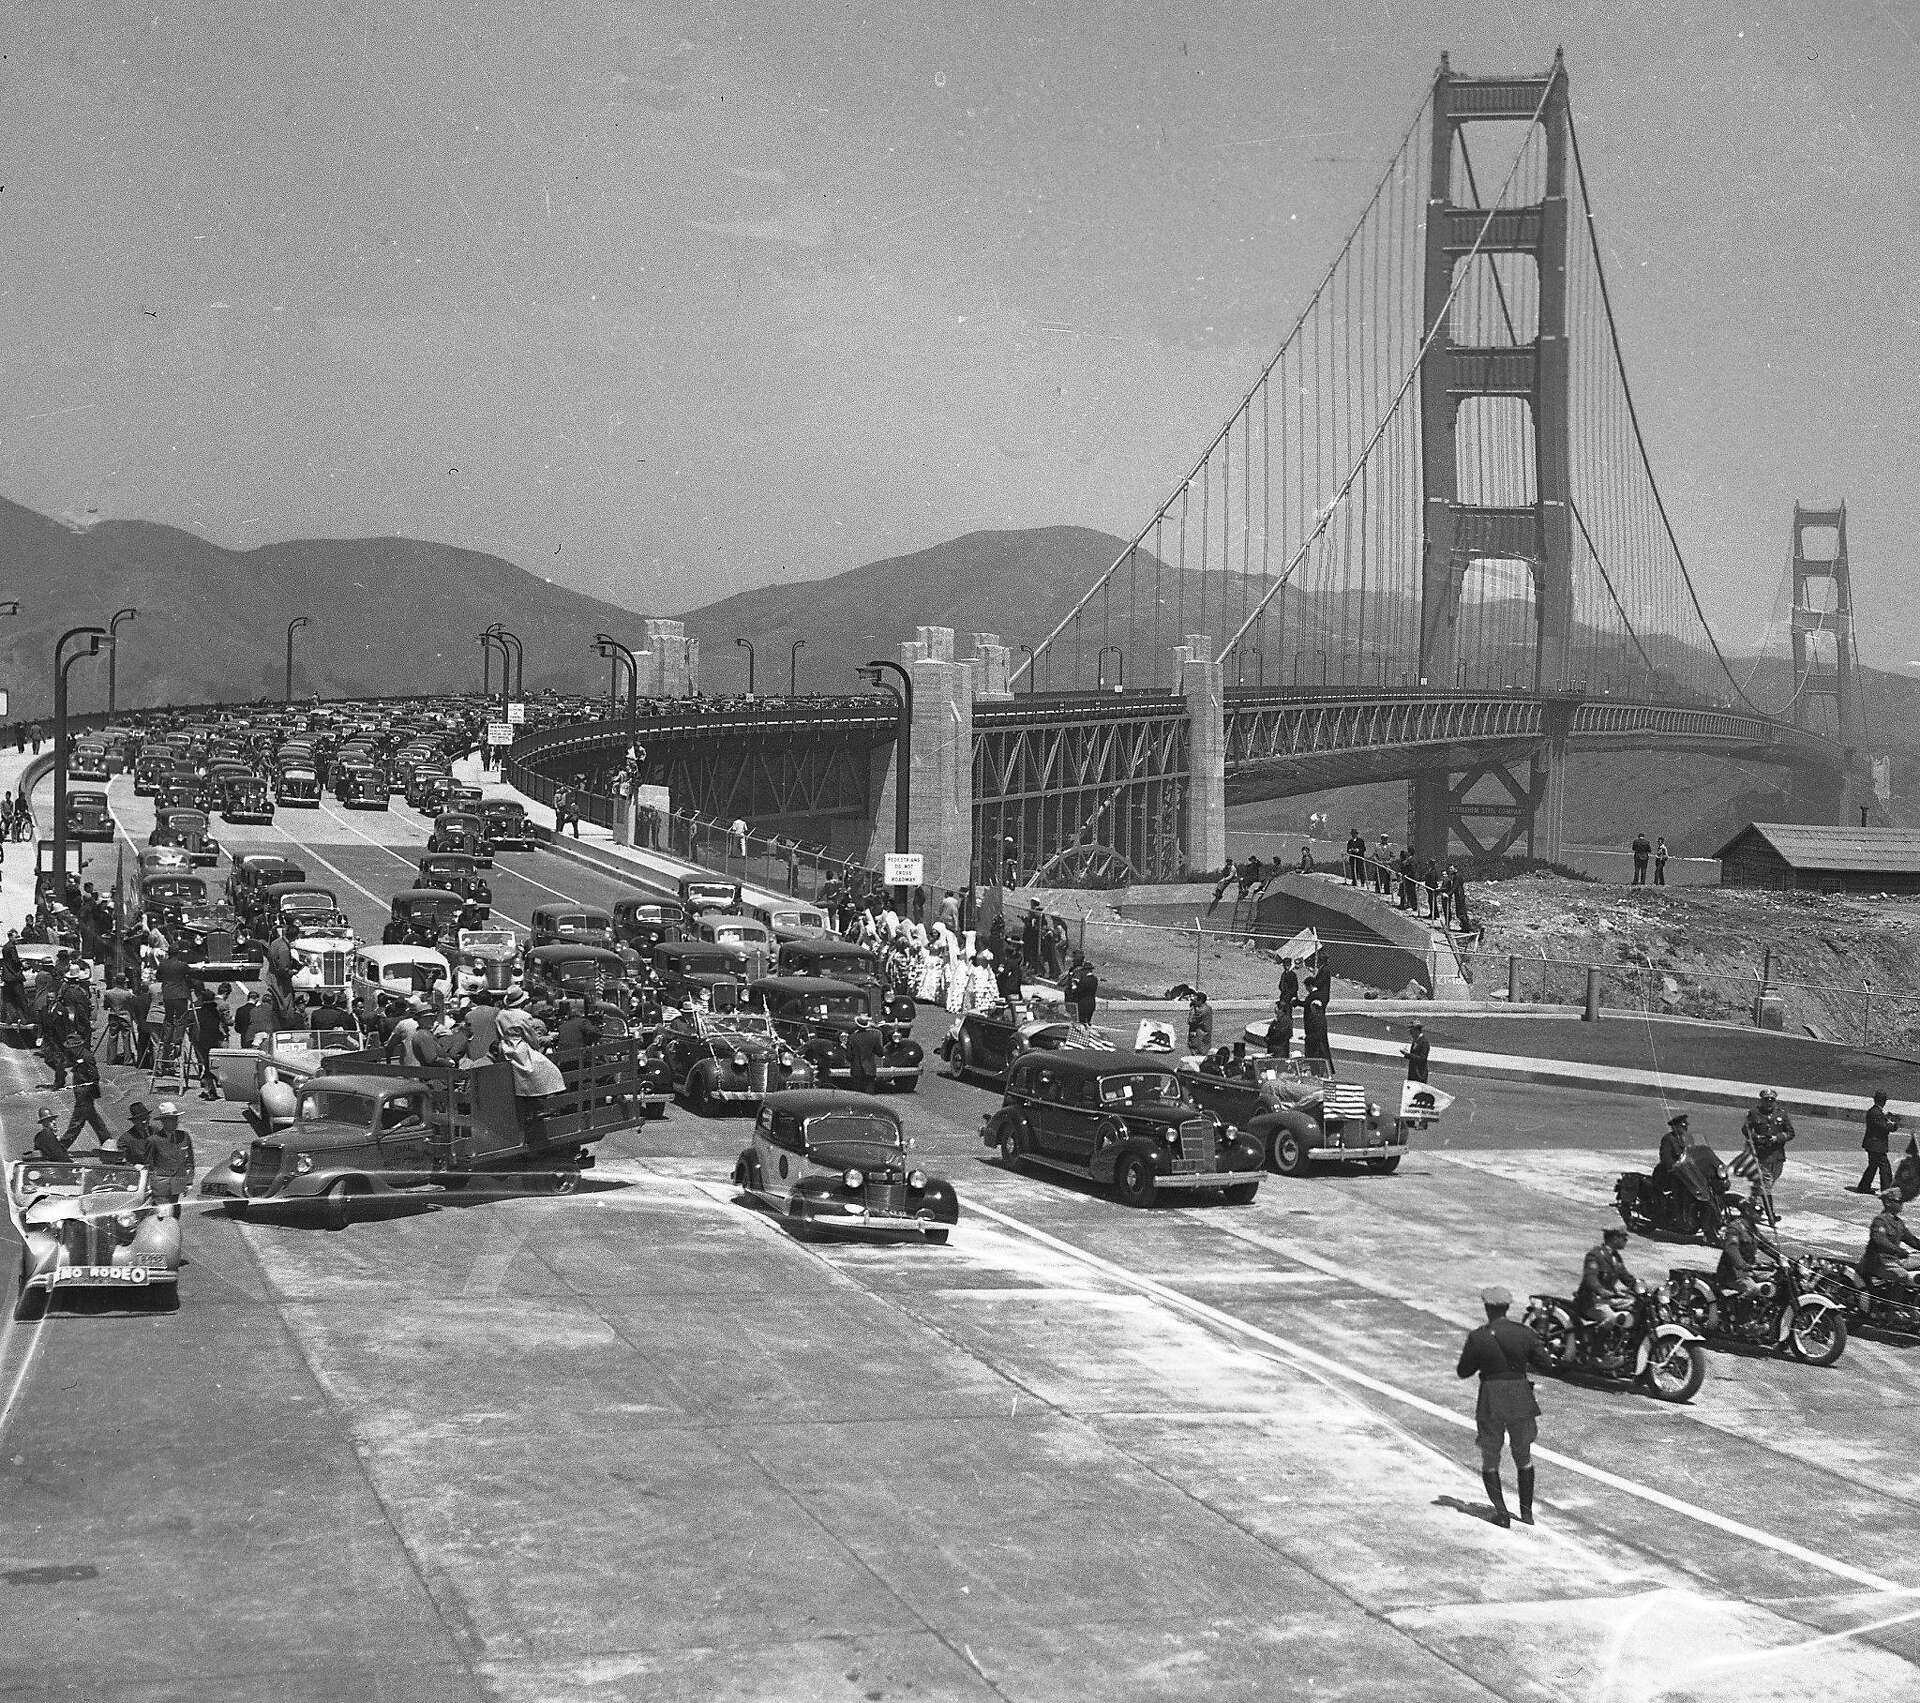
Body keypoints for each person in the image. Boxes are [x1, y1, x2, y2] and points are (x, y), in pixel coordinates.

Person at [1456, 1284, 1550, 1528]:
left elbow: (1463, 1371)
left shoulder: (1478, 1336)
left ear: (1487, 1308)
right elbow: (1546, 1364)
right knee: (1523, 1456)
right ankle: (1526, 1514)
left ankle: (1502, 1514)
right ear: (1508, 1307)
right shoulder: (1524, 1333)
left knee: (1490, 1458)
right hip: (1519, 1397)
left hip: (1491, 1399)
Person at [1576, 1226, 1640, 1351]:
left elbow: (1627, 1278)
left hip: (1609, 1299)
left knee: (1636, 1306)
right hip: (1592, 1300)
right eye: (1623, 1237)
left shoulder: (1616, 1257)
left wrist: (1641, 1288)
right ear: (1614, 1238)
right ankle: (1597, 1351)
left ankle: (1622, 1343)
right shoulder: (1595, 1255)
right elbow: (1591, 1279)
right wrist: (1601, 1291)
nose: (1626, 1240)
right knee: (1611, 1318)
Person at [1742, 1088, 1796, 1213]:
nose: (1769, 1103)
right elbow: (1746, 1130)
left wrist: (1777, 1138)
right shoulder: (1754, 1113)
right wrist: (1758, 1138)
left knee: (1770, 1181)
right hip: (1762, 1155)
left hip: (1777, 1156)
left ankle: (1753, 1203)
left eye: (1772, 1100)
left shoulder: (1781, 1114)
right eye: (1766, 1100)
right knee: (1766, 1184)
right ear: (1761, 1101)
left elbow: (1791, 1133)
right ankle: (1770, 1214)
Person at [1715, 1200, 1775, 1309]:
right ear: (1747, 1211)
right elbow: (1731, 1248)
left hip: (1747, 1273)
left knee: (1773, 1281)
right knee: (1752, 1289)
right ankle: (1740, 1320)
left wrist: (1783, 1258)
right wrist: (1742, 1264)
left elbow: (1766, 1246)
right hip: (1731, 1273)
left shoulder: (1753, 1230)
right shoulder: (1735, 1227)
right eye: (1757, 1211)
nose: (1760, 1214)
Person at [1863, 1188, 1920, 1297]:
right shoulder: (1880, 1221)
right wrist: (1898, 1250)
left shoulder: (1898, 1223)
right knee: (1903, 1275)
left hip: (1892, 1260)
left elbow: (1911, 1239)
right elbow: (1879, 1240)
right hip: (1877, 1261)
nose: (1901, 1204)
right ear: (1888, 1203)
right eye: (1898, 1201)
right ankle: (1893, 1306)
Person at [146, 1102, 196, 1202]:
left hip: (177, 1185)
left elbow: (190, 1162)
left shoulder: (184, 1136)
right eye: (171, 1119)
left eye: (176, 1119)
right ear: (163, 1121)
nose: (175, 1122)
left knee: (175, 1213)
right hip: (160, 1188)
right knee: (163, 1213)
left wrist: (189, 1182)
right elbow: (149, 1164)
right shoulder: (154, 1140)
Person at [1857, 1090, 1899, 1196]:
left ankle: (1864, 1186)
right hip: (1876, 1145)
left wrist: (1888, 1119)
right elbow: (1884, 1127)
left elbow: (1881, 1123)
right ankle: (1886, 1190)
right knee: (1885, 1168)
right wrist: (1894, 1124)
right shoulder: (1876, 1112)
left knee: (1873, 1166)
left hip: (1873, 1144)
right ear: (1884, 1101)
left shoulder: (1875, 1111)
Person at [847, 1012, 883, 1093]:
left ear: (857, 1025)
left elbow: (849, 1056)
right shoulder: (873, 1037)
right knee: (869, 1092)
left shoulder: (852, 1038)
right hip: (870, 1069)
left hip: (857, 1070)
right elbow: (880, 1053)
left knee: (857, 1094)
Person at [1064, 956, 1098, 1026]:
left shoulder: (1084, 980)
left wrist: (1074, 986)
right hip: (1092, 1003)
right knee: (1088, 1022)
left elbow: (1077, 991)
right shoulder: (1095, 979)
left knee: (1081, 1023)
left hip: (1082, 1004)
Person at [1301, 997, 1331, 1067]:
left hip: (1317, 1049)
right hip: (1318, 1047)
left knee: (1316, 1066)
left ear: (1314, 1007)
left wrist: (1306, 1037)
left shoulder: (1317, 1018)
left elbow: (1318, 1034)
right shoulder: (1321, 1017)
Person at [1186, 990, 1213, 1055]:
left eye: (1195, 999)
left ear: (1200, 1000)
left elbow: (1190, 1021)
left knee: (1198, 1053)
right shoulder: (1207, 1007)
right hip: (1204, 1034)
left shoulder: (1201, 1011)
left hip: (1199, 1036)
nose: (1193, 1000)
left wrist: (1192, 1009)